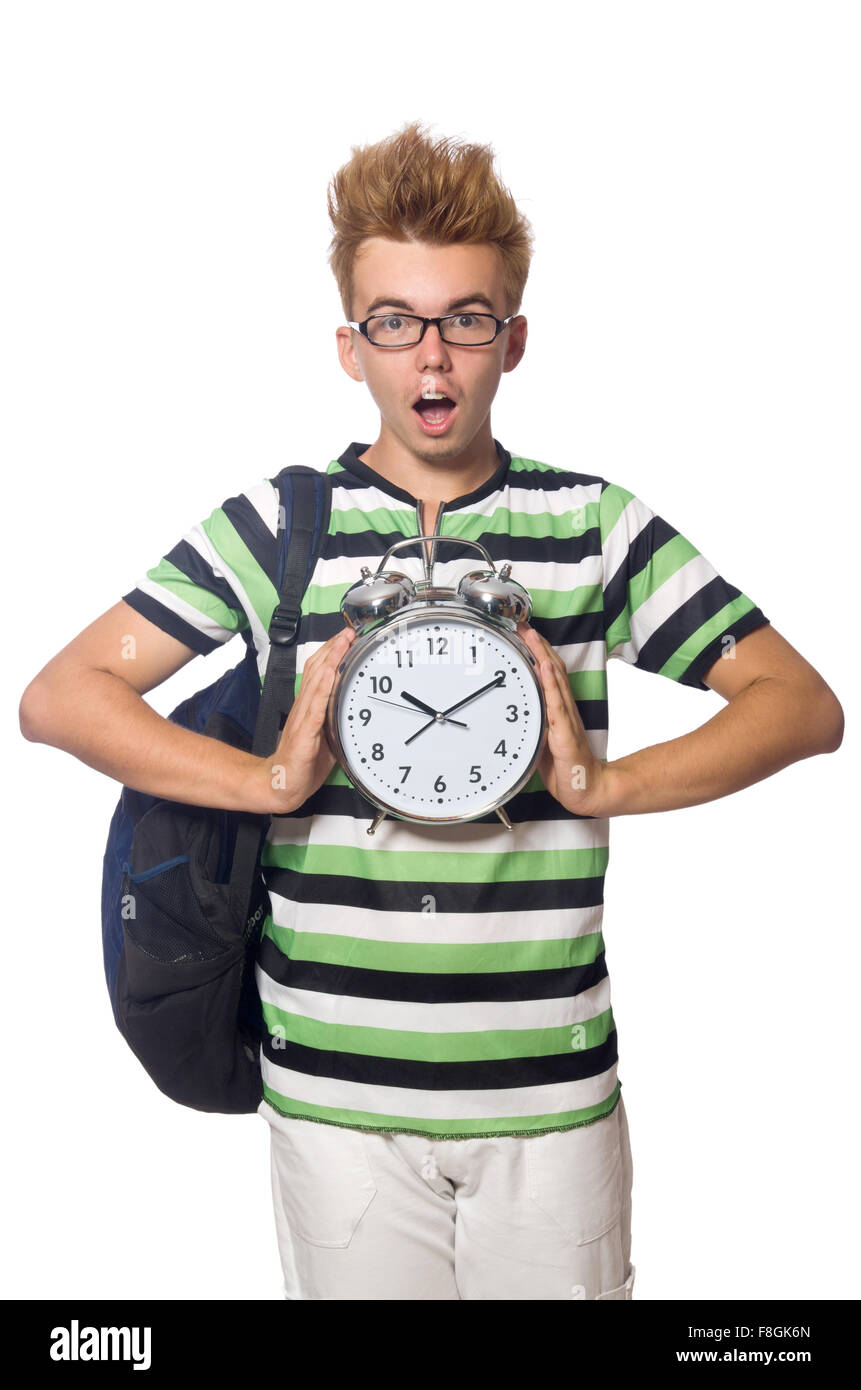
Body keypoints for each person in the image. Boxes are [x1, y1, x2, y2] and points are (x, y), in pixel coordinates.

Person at [19, 120, 844, 1302]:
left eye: (465, 320)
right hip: (337, 1103)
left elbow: (801, 705)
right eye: (397, 324)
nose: (434, 362)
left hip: (547, 1102)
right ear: (350, 347)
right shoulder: (277, 528)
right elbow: (60, 698)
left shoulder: (590, 526)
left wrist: (603, 788)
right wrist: (269, 783)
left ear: (513, 337)